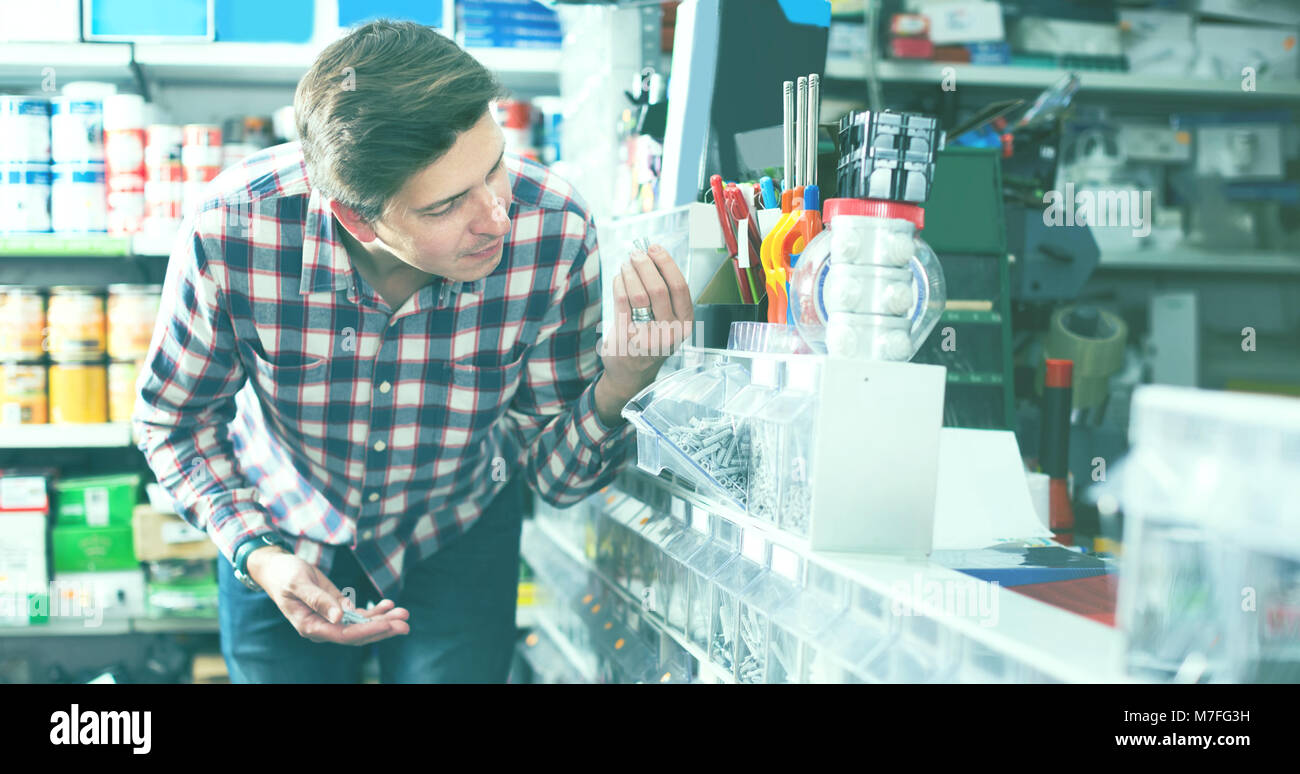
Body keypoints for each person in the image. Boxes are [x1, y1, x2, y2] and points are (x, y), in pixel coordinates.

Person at [132, 19, 693, 683]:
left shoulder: (555, 228)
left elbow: (554, 476)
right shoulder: (235, 228)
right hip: (281, 525)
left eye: (495, 168)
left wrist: (621, 385)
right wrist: (258, 553)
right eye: (448, 204)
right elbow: (175, 421)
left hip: (455, 527)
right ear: (356, 218)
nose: (498, 217)